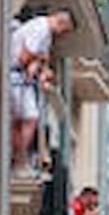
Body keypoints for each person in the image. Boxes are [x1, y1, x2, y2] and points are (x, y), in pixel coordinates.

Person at [10, 9, 73, 172]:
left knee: (24, 119)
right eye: (64, 31)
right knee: (29, 119)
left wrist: (44, 70)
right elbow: (25, 56)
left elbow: (42, 59)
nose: (63, 36)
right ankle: (19, 158)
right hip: (16, 77)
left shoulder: (46, 34)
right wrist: (38, 63)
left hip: (21, 79)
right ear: (61, 22)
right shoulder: (40, 29)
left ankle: (18, 157)